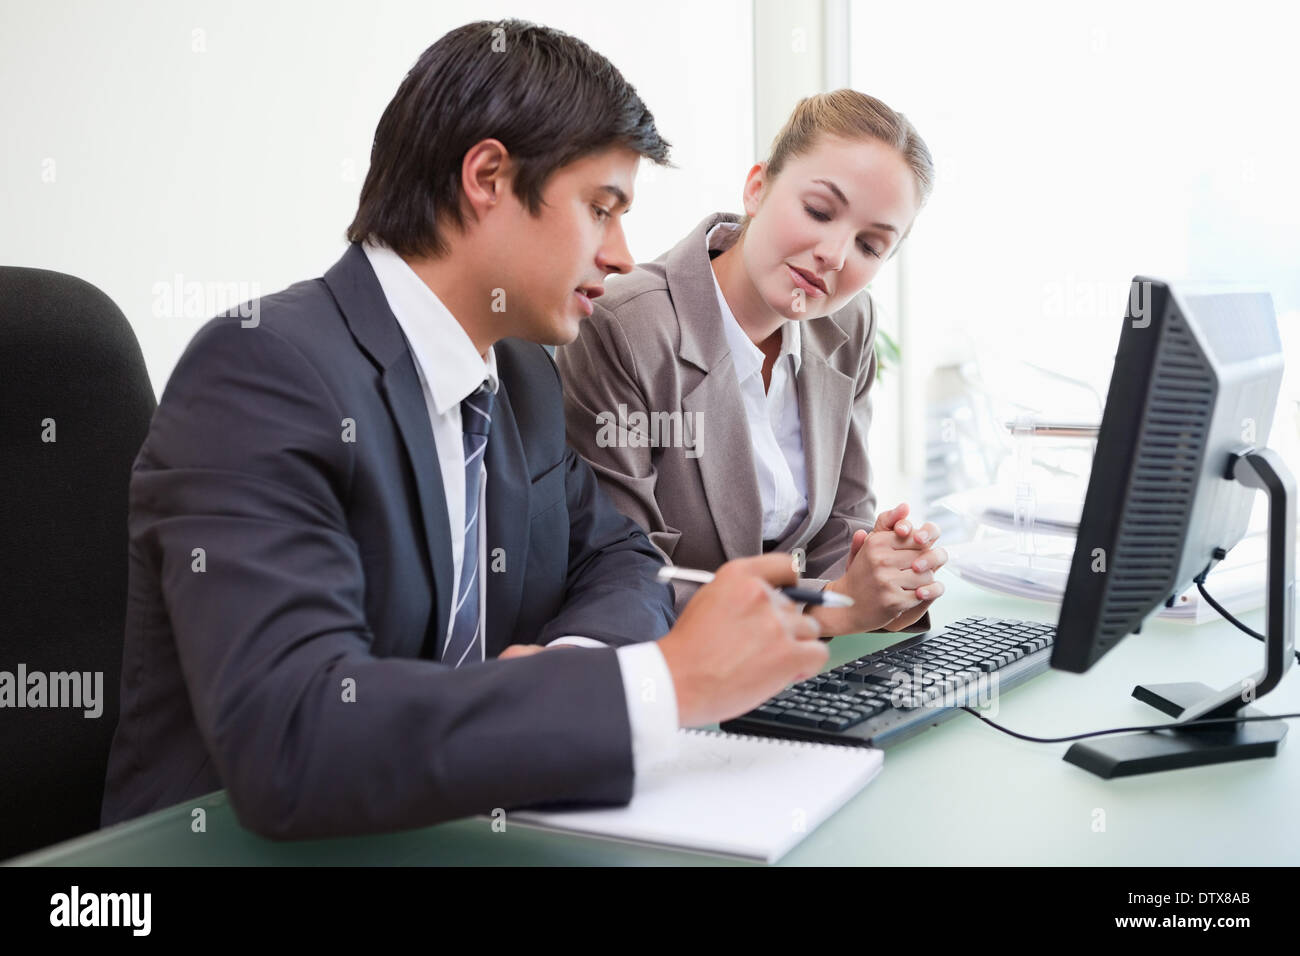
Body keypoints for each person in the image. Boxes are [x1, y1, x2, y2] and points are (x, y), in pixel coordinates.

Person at [100, 20, 827, 840]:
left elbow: (617, 556)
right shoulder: (261, 372)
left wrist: (570, 674)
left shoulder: (518, 376)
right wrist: (663, 684)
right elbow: (292, 736)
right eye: (600, 208)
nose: (622, 256)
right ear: (487, 176)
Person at [556, 89, 947, 637]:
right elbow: (626, 575)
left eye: (870, 245)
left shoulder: (849, 323)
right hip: (679, 666)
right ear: (757, 188)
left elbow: (844, 521)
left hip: (803, 667)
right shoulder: (626, 327)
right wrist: (825, 608)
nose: (833, 255)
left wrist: (883, 574)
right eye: (818, 211)